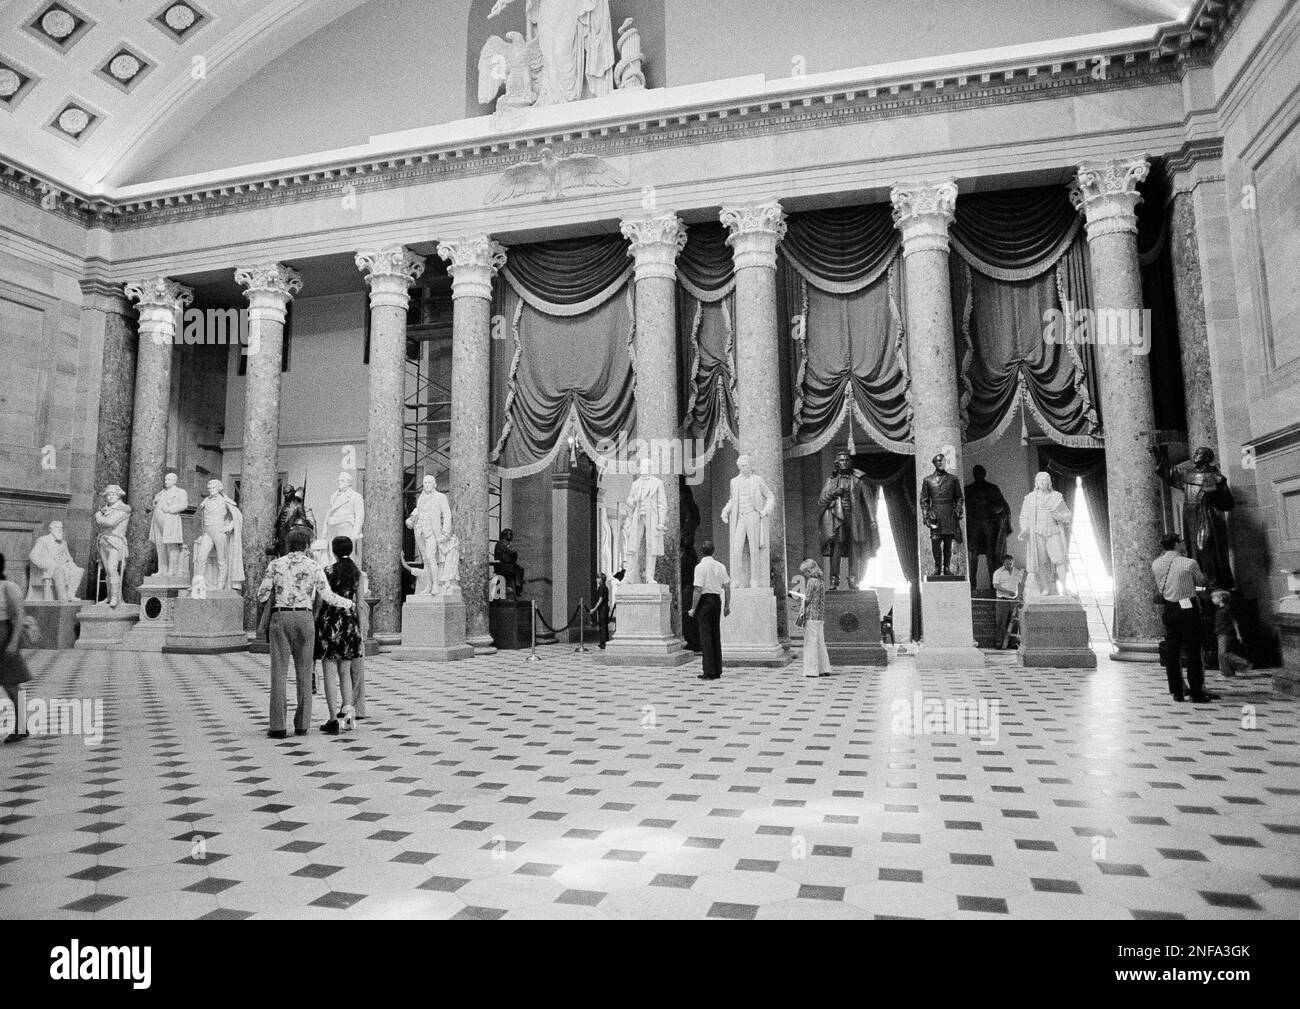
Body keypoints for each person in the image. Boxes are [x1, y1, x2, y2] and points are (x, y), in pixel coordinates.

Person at [257, 527, 355, 738]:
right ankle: (302, 724)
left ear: (288, 544)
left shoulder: (275, 564)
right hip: (305, 619)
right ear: (308, 545)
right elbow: (327, 596)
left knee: (279, 673)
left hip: (281, 617)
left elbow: (261, 595)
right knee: (304, 672)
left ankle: (278, 726)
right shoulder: (314, 566)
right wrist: (349, 603)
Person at [1154, 445, 1236, 590]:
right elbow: (1170, 472)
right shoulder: (1188, 474)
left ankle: (1213, 582)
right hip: (1189, 514)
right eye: (1196, 452)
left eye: (1199, 453)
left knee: (1204, 547)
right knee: (1193, 549)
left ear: (1207, 457)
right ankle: (1199, 583)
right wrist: (1161, 454)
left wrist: (1216, 494)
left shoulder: (1214, 477)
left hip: (1205, 514)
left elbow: (1227, 503)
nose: (1195, 454)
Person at [1151, 532, 1216, 704]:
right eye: (1181, 542)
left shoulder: (1156, 564)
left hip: (1169, 609)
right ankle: (1196, 692)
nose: (1183, 544)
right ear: (1177, 544)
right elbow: (1202, 582)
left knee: (1172, 653)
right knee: (1193, 651)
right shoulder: (1188, 563)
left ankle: (1177, 692)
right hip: (1187, 608)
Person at [315, 536, 365, 735]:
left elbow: (320, 601)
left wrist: (315, 620)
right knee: (345, 671)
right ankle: (348, 716)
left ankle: (332, 718)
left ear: (333, 550)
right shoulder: (357, 573)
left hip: (330, 622)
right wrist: (360, 630)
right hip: (349, 622)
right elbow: (360, 603)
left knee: (329, 671)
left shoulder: (327, 571)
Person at [817, 449, 879, 590]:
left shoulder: (858, 479)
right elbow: (821, 501)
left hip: (855, 517)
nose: (844, 462)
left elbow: (868, 500)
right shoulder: (831, 481)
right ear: (837, 463)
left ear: (850, 462)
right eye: (841, 460)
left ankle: (853, 579)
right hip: (837, 518)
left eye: (846, 460)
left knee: (854, 548)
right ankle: (834, 580)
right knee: (836, 549)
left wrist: (873, 519)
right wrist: (833, 492)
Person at [721, 454, 775, 588]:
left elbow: (770, 496)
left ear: (750, 466)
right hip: (740, 517)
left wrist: (765, 510)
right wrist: (725, 510)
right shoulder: (734, 481)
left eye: (745, 465)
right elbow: (733, 500)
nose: (743, 468)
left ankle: (754, 579)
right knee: (736, 549)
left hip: (753, 515)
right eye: (741, 466)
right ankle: (736, 579)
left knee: (754, 549)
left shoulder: (757, 480)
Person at [1019, 471, 1073, 597]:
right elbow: (1024, 516)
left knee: (1059, 560)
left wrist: (1059, 516)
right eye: (1040, 480)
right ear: (1037, 483)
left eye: (1045, 480)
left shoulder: (1056, 496)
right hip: (1037, 532)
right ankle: (1045, 587)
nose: (1043, 482)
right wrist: (1024, 529)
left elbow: (1067, 515)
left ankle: (1065, 588)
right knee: (1040, 561)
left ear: (1049, 483)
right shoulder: (1030, 498)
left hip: (1053, 531)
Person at [1, 553, 33, 744]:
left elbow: (20, 615)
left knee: (11, 684)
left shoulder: (8, 587)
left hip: (3, 636)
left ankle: (21, 725)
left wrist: (13, 642)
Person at [687, 541, 730, 681]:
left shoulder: (700, 567)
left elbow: (698, 589)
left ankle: (708, 671)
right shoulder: (721, 566)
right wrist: (727, 605)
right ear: (713, 551)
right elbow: (727, 587)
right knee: (715, 634)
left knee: (705, 636)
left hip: (705, 601)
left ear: (702, 551)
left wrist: (693, 608)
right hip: (717, 600)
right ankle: (717, 670)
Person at [965, 465, 1012, 590]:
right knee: (972, 556)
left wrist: (995, 511)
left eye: (980, 472)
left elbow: (1002, 506)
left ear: (984, 474)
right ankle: (972, 586)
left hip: (988, 525)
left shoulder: (992, 488)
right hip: (973, 526)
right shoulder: (968, 489)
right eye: (976, 473)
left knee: (991, 555)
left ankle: (994, 586)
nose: (978, 475)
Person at [919, 450, 963, 576]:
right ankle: (937, 567)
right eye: (938, 461)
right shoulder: (928, 480)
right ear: (934, 463)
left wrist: (958, 508)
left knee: (948, 543)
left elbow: (959, 497)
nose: (941, 463)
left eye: (943, 461)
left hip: (949, 513)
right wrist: (926, 515)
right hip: (936, 514)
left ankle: (947, 567)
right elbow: (924, 500)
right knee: (935, 541)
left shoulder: (953, 479)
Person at [94, 485, 131, 607]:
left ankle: (116, 597)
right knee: (108, 572)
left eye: (113, 494)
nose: (110, 496)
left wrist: (98, 516)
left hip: (116, 542)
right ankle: (110, 596)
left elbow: (109, 523)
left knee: (112, 568)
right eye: (108, 494)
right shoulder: (106, 510)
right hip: (104, 541)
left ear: (118, 496)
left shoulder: (123, 510)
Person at [27, 520, 83, 601]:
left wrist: (71, 565)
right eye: (57, 527)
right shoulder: (43, 540)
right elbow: (33, 556)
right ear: (50, 529)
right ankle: (63, 598)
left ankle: (70, 595)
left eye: (61, 528)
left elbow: (69, 558)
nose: (60, 529)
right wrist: (45, 565)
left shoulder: (64, 543)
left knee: (78, 570)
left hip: (63, 566)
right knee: (58, 569)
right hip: (49, 567)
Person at [150, 470, 189, 577]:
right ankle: (162, 569)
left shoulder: (180, 492)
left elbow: (184, 505)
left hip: (171, 520)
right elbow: (155, 505)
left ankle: (172, 570)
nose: (166, 481)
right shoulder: (162, 493)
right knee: (160, 546)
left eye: (169, 479)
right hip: (158, 522)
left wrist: (170, 509)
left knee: (172, 545)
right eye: (165, 479)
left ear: (175, 481)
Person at [797, 558, 831, 678]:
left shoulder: (811, 581)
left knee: (810, 643)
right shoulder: (822, 582)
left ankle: (811, 670)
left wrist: (798, 599)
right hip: (820, 617)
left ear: (810, 570)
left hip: (811, 616)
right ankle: (824, 668)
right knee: (820, 643)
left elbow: (808, 599)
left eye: (805, 572)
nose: (805, 575)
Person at [1210, 589, 1251, 677]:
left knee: (1223, 653)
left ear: (1220, 598)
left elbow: (1234, 621)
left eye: (1214, 597)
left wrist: (1238, 634)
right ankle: (1227, 672)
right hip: (1220, 633)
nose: (1212, 599)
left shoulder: (1227, 609)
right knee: (1221, 654)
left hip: (1226, 633)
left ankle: (1243, 664)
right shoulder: (1219, 609)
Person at [991, 554, 1022, 647]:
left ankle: (1013, 642)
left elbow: (1020, 584)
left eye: (1011, 563)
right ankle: (1000, 642)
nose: (1009, 565)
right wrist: (1008, 592)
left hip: (1014, 600)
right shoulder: (998, 572)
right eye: (1007, 563)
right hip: (1002, 600)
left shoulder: (1017, 572)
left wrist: (1019, 595)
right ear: (1003, 562)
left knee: (1014, 622)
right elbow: (996, 585)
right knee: (1001, 621)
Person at [494, 528, 525, 598]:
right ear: (505, 535)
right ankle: (518, 587)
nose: (512, 536)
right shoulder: (504, 543)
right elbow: (513, 552)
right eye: (510, 534)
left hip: (503, 565)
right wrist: (514, 553)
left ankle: (517, 586)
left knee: (519, 569)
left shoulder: (500, 543)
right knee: (519, 570)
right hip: (505, 566)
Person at [590, 572, 611, 649]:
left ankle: (603, 644)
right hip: (604, 608)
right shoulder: (604, 587)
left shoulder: (602, 588)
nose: (597, 579)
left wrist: (594, 609)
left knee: (602, 626)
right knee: (604, 626)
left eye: (598, 578)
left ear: (601, 579)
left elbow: (600, 600)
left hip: (603, 608)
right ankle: (606, 642)